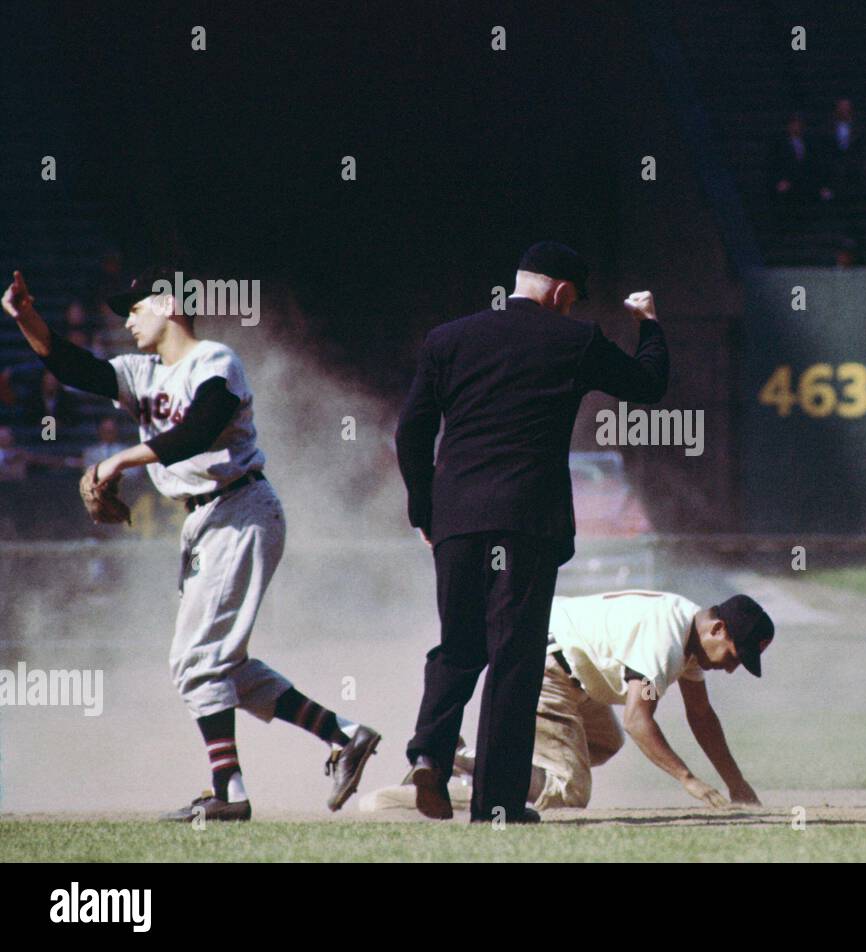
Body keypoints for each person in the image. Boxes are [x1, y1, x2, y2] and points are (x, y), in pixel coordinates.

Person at [2, 267, 381, 821]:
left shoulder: (216, 361)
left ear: (170, 305)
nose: (127, 319)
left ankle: (229, 793)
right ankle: (343, 734)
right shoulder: (141, 373)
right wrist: (26, 318)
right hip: (206, 521)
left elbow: (197, 432)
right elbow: (74, 367)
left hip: (241, 507)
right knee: (218, 665)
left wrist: (117, 460)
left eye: (135, 307)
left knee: (197, 662)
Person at [394, 241, 670, 824]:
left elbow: (411, 431)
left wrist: (425, 509)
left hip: (459, 519)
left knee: (458, 645)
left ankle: (429, 754)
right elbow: (648, 386)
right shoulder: (575, 342)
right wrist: (647, 324)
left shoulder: (448, 339)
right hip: (527, 523)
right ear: (563, 293)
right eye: (572, 301)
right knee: (515, 657)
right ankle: (496, 802)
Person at [363, 590, 773, 815]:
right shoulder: (667, 638)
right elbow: (637, 718)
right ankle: (438, 782)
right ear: (718, 628)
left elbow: (701, 716)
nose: (734, 668)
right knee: (570, 792)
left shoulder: (689, 641)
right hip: (545, 664)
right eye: (736, 655)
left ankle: (464, 758)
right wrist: (687, 778)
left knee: (605, 743)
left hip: (573, 671)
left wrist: (736, 783)